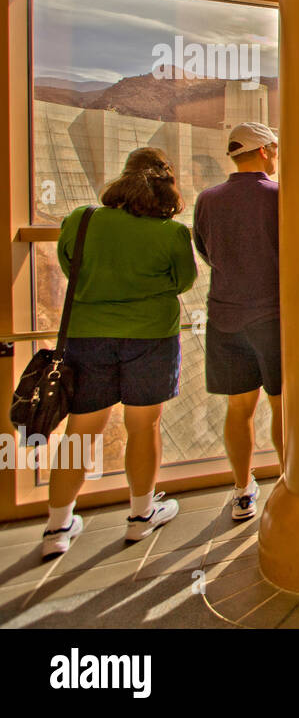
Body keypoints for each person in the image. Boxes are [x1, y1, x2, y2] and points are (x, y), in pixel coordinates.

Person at [40, 148, 197, 559]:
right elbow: (183, 282)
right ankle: (141, 516)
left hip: (87, 336)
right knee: (143, 426)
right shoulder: (171, 232)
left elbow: (68, 262)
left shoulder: (82, 219)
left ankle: (58, 525)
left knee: (81, 429)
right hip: (151, 338)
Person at [193, 121, 283, 522]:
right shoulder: (279, 197)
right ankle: (289, 480)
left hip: (224, 315)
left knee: (239, 408)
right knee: (282, 404)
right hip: (272, 315)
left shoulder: (207, 199)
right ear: (264, 151)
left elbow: (206, 251)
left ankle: (243, 490)